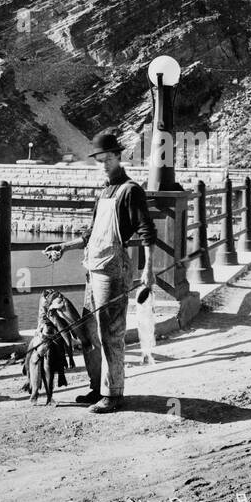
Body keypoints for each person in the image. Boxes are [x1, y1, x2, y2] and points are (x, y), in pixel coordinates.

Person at [43, 131, 156, 413]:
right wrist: (64, 246)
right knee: (89, 332)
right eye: (99, 161)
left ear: (119, 157)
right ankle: (97, 388)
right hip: (94, 268)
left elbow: (147, 233)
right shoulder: (106, 191)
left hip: (114, 271)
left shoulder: (131, 191)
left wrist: (148, 270)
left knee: (110, 333)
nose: (104, 165)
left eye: (108, 160)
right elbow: (91, 234)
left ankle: (113, 393)